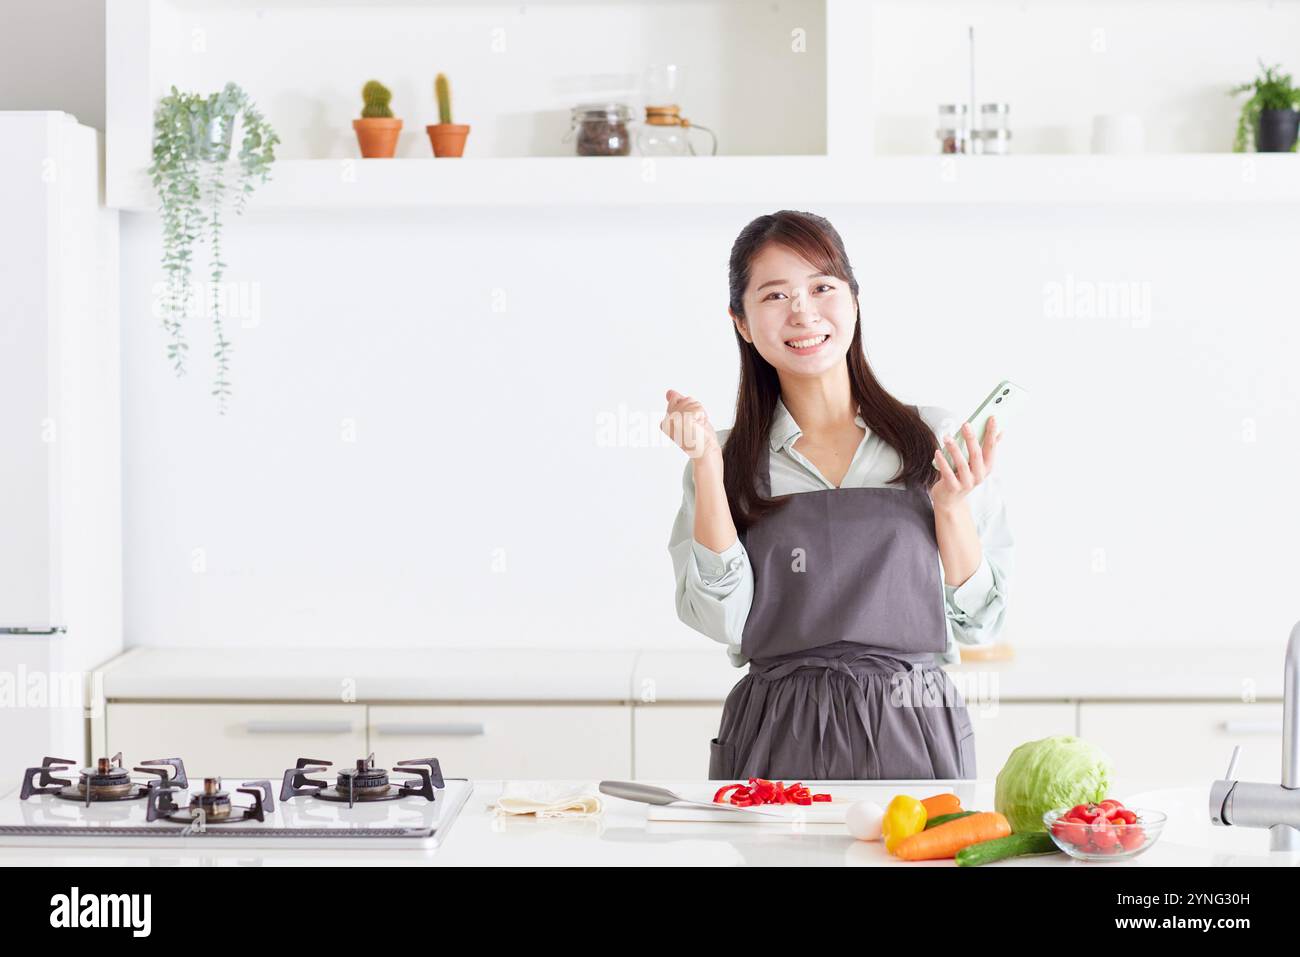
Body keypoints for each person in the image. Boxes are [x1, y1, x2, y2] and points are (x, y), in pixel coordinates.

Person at [662, 209, 1012, 780]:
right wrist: (706, 465)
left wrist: (949, 507)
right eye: (775, 295)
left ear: (853, 300)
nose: (802, 311)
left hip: (912, 725)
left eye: (821, 287)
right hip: (777, 730)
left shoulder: (935, 440)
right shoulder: (723, 457)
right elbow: (723, 619)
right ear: (742, 323)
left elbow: (981, 625)